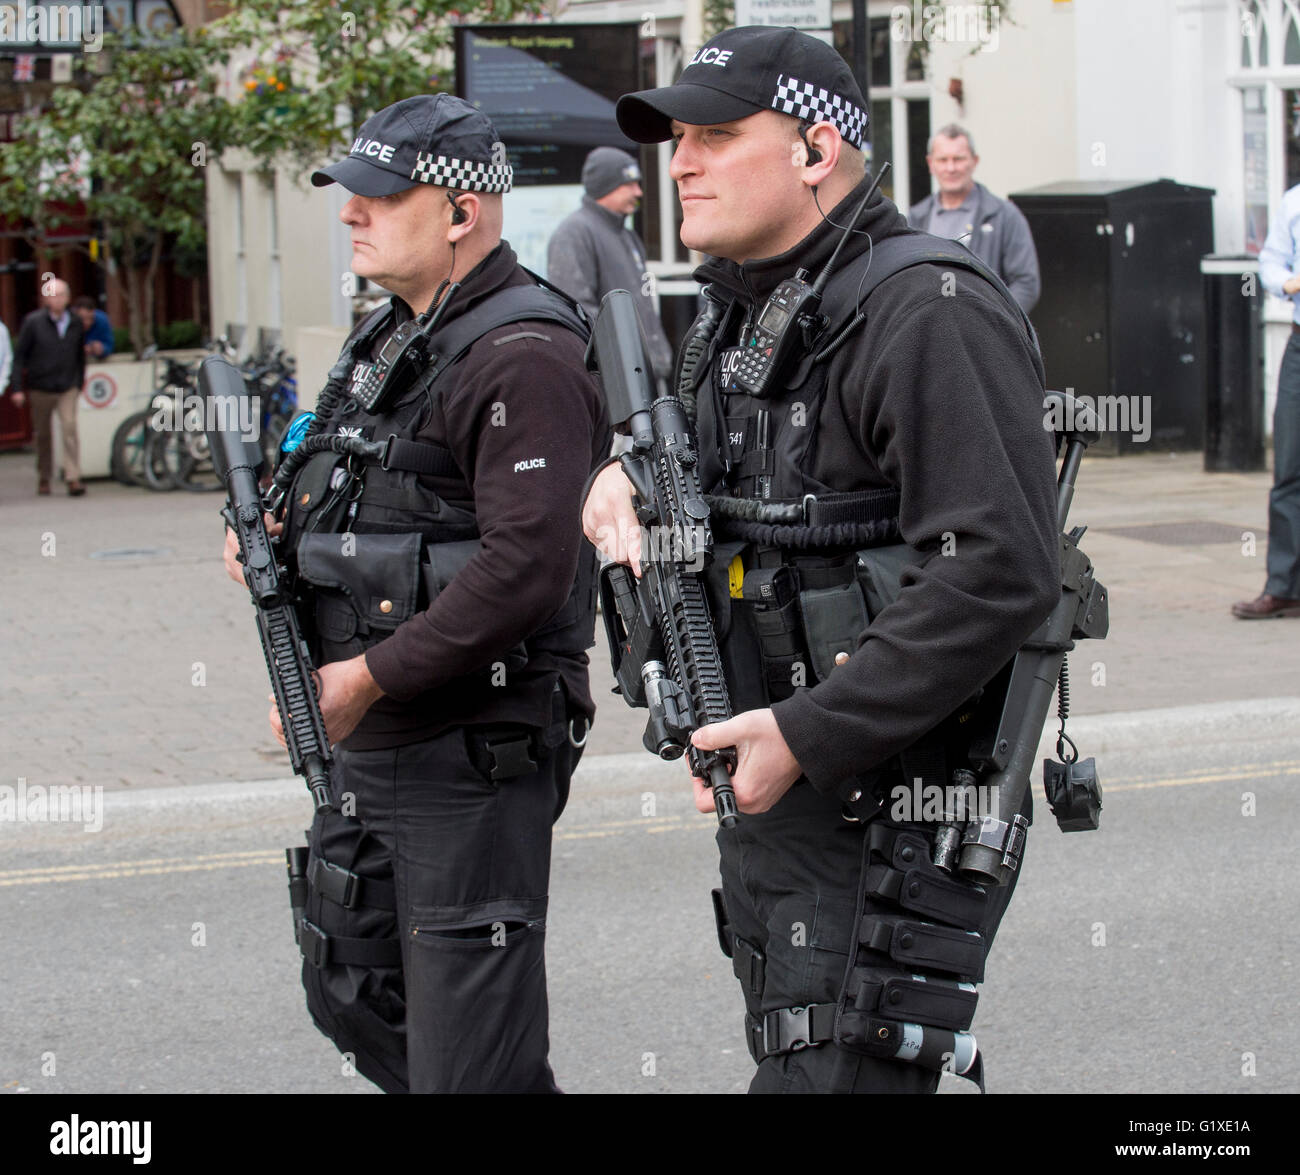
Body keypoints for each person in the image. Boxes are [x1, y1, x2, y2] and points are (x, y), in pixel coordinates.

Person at [582, 25, 1060, 1093]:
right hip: (776, 784)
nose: (683, 162)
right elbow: (712, 492)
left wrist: (806, 729)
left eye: (714, 133)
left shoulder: (926, 309)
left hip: (890, 795)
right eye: (676, 138)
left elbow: (997, 565)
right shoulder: (737, 306)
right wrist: (615, 477)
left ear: (813, 149)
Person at [222, 94, 610, 1092]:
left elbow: (526, 566)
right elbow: (349, 481)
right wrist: (273, 538)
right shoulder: (390, 335)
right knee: (351, 985)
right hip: (371, 740)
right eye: (348, 195)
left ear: (460, 214)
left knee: (470, 1061)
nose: (351, 213)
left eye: (379, 196)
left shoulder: (523, 354)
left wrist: (368, 676)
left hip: (466, 749)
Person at [547, 146, 674, 385]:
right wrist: (626, 362)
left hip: (647, 377)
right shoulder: (574, 233)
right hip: (616, 384)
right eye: (630, 184)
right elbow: (577, 311)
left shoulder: (627, 235)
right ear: (605, 186)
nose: (638, 192)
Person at [1232, 184, 1300, 619]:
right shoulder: (1294, 201)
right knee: (1289, 470)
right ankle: (1285, 586)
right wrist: (1289, 282)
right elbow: (1271, 260)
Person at [908, 123, 1041, 315]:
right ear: (931, 164)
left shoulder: (1004, 215)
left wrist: (997, 322)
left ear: (974, 161)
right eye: (943, 160)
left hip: (988, 334)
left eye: (958, 159)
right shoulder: (916, 219)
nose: (951, 167)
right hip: (932, 333)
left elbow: (1026, 283)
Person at [11, 277, 87, 496]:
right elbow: (20, 356)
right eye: (53, 295)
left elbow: (79, 354)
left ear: (68, 298)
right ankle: (44, 477)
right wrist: (17, 388)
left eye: (62, 295)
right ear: (46, 298)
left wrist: (79, 382)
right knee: (43, 435)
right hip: (40, 386)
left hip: (67, 385)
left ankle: (73, 477)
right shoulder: (33, 322)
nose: (58, 299)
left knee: (69, 428)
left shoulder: (75, 321)